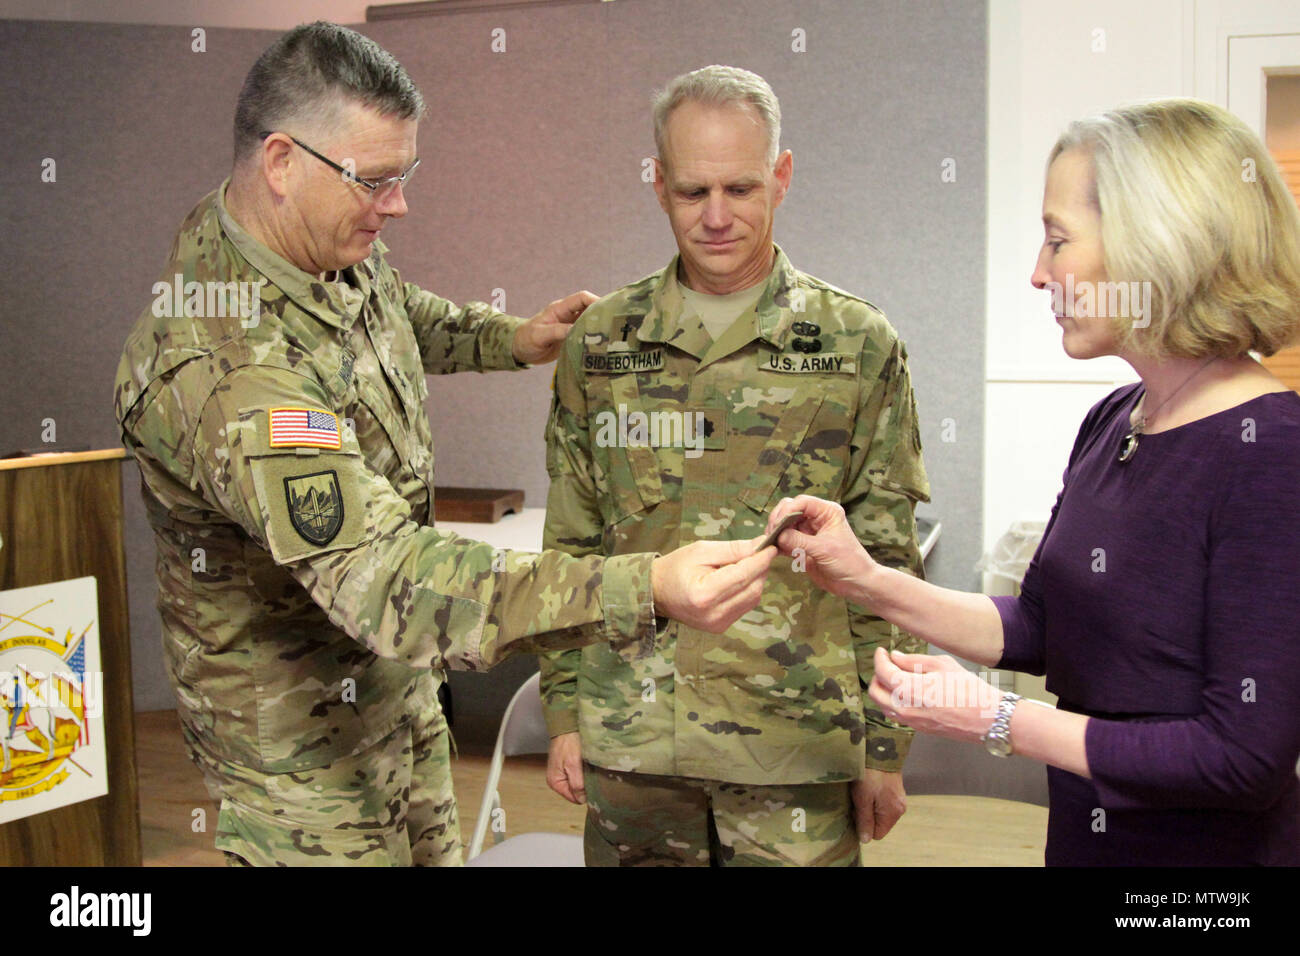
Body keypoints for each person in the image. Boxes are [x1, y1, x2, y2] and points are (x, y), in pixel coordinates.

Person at [113, 22, 775, 868]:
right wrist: (640, 588)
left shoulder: (312, 247)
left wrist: (514, 338)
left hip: (396, 692)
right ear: (281, 163)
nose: (398, 205)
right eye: (376, 180)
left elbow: (396, 316)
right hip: (300, 762)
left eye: (405, 174)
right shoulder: (225, 367)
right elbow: (387, 578)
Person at [767, 98, 1300, 865]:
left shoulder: (1269, 455)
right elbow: (1049, 626)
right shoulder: (1118, 419)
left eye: (1058, 241)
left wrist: (995, 719)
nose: (1037, 272)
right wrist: (867, 581)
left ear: (1158, 245)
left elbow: (1242, 760)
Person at [540, 65, 930, 866]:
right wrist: (564, 713)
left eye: (741, 189)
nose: (717, 217)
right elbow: (570, 544)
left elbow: (888, 559)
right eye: (692, 192)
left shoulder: (857, 345)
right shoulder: (603, 344)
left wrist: (884, 744)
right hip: (633, 743)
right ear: (657, 185)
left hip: (797, 747)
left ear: (781, 178)